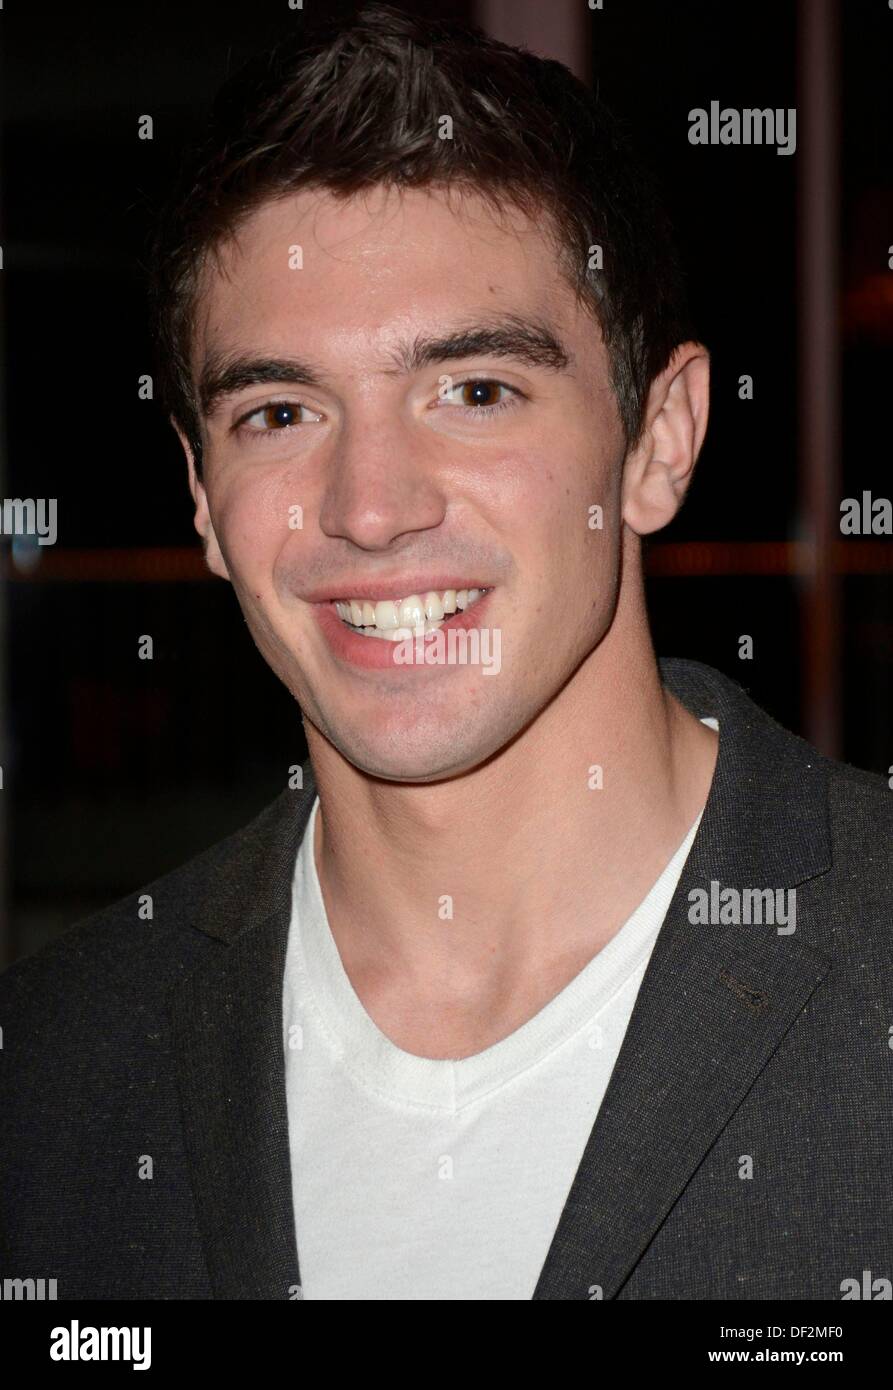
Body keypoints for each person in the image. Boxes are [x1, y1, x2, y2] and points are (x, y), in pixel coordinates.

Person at [1, 3, 890, 1302]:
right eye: (281, 409)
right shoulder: (55, 1066)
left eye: (473, 391)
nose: (370, 504)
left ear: (659, 437)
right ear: (199, 497)